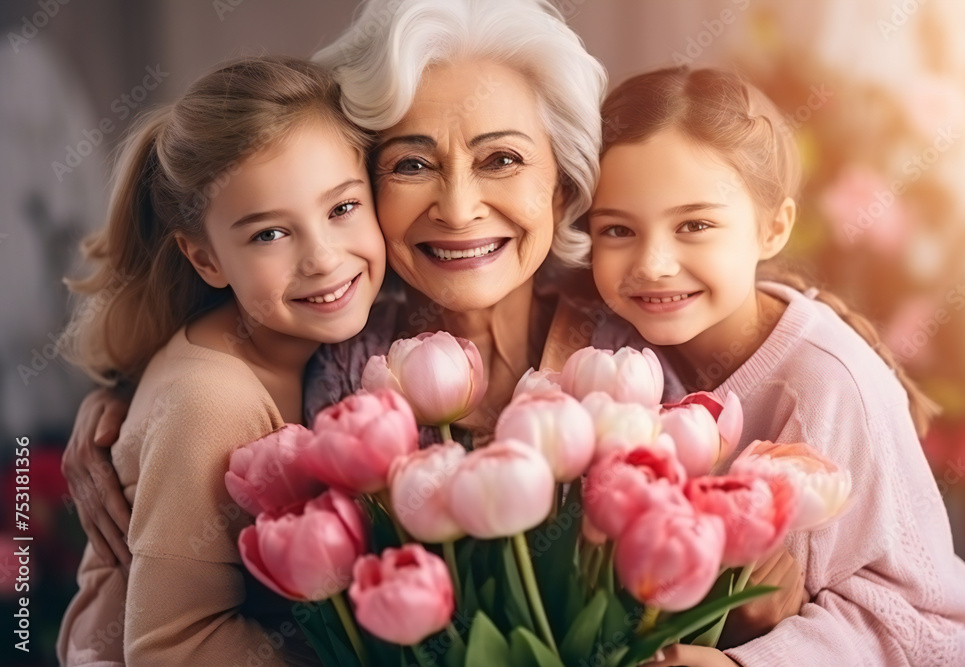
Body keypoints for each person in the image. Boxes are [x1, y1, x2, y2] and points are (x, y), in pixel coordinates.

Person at [59, 0, 805, 652]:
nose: (456, 207)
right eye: (412, 165)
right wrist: (128, 401)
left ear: (565, 179)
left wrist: (805, 319)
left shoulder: (635, 335)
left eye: (502, 159)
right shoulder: (336, 355)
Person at [588, 65, 965, 666]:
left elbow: (930, 624)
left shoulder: (827, 384)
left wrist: (747, 661)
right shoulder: (609, 350)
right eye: (617, 229)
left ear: (773, 228)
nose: (652, 263)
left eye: (695, 225)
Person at [56, 56, 385, 665]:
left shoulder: (316, 336)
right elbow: (170, 647)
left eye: (341, 209)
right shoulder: (213, 401)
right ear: (205, 260)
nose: (322, 257)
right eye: (269, 234)